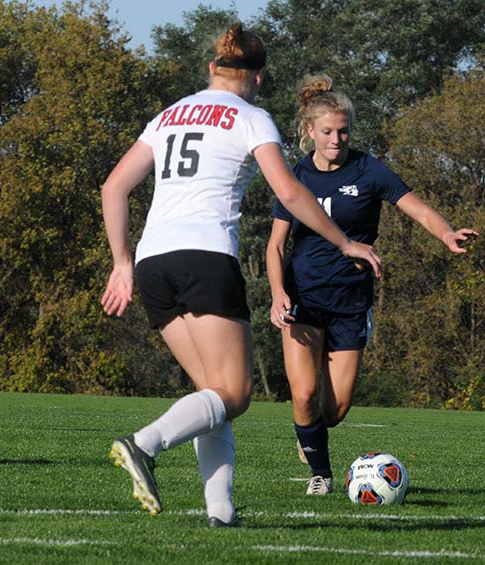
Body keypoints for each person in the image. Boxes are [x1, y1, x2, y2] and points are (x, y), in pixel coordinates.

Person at [100, 25, 382, 527]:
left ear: (212, 69)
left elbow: (114, 187)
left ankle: (222, 513)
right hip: (205, 256)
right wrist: (344, 241)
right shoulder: (251, 117)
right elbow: (293, 193)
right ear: (258, 76)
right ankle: (144, 444)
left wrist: (121, 262)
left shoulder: (167, 115)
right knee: (235, 394)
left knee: (214, 392)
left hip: (151, 261)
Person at [265, 75, 477, 496]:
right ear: (310, 131)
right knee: (304, 394)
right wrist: (277, 294)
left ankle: (310, 431)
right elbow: (274, 245)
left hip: (350, 301)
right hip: (302, 298)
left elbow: (417, 209)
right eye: (327, 131)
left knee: (336, 409)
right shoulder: (295, 177)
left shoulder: (368, 169)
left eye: (343, 131)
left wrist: (447, 233)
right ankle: (321, 476)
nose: (336, 139)